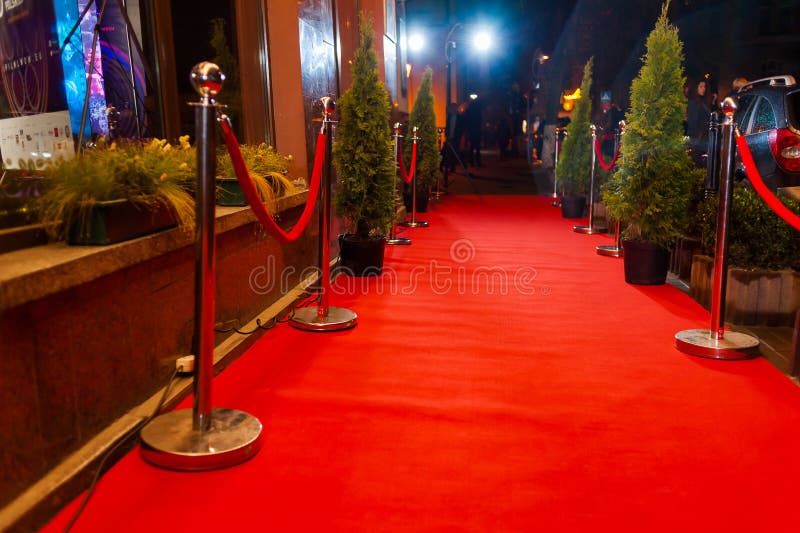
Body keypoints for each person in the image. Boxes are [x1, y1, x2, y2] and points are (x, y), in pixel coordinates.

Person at [592, 91, 624, 158]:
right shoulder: (599, 113)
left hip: (611, 142)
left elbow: (612, 125)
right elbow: (596, 124)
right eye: (603, 103)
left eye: (607, 103)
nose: (605, 105)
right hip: (601, 141)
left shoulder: (614, 112)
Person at [686, 79, 714, 153]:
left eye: (704, 86)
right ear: (695, 88)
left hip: (702, 137)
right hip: (696, 138)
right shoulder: (693, 102)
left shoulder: (702, 101)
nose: (703, 89)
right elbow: (692, 122)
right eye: (701, 87)